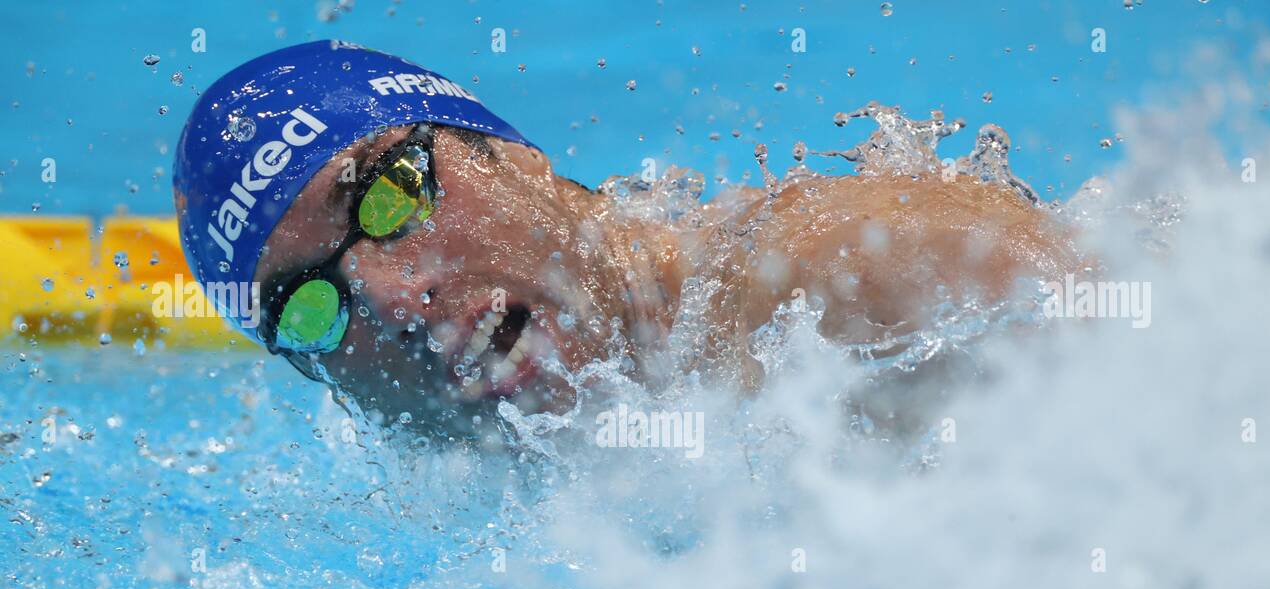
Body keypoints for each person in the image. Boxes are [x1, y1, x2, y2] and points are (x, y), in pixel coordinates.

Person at [175, 40, 1076, 436]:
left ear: (512, 154)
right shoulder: (504, 507)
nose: (392, 298)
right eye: (310, 307)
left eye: (388, 195)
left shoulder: (838, 274)